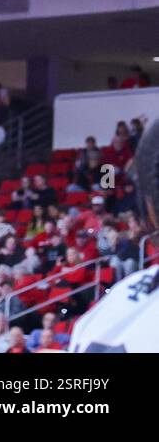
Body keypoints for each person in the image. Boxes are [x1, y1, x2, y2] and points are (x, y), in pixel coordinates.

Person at [69, 121, 159, 351]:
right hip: (123, 194)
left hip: (129, 194)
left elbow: (135, 176)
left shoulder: (128, 154)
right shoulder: (109, 158)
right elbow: (108, 181)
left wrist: (126, 182)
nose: (119, 139)